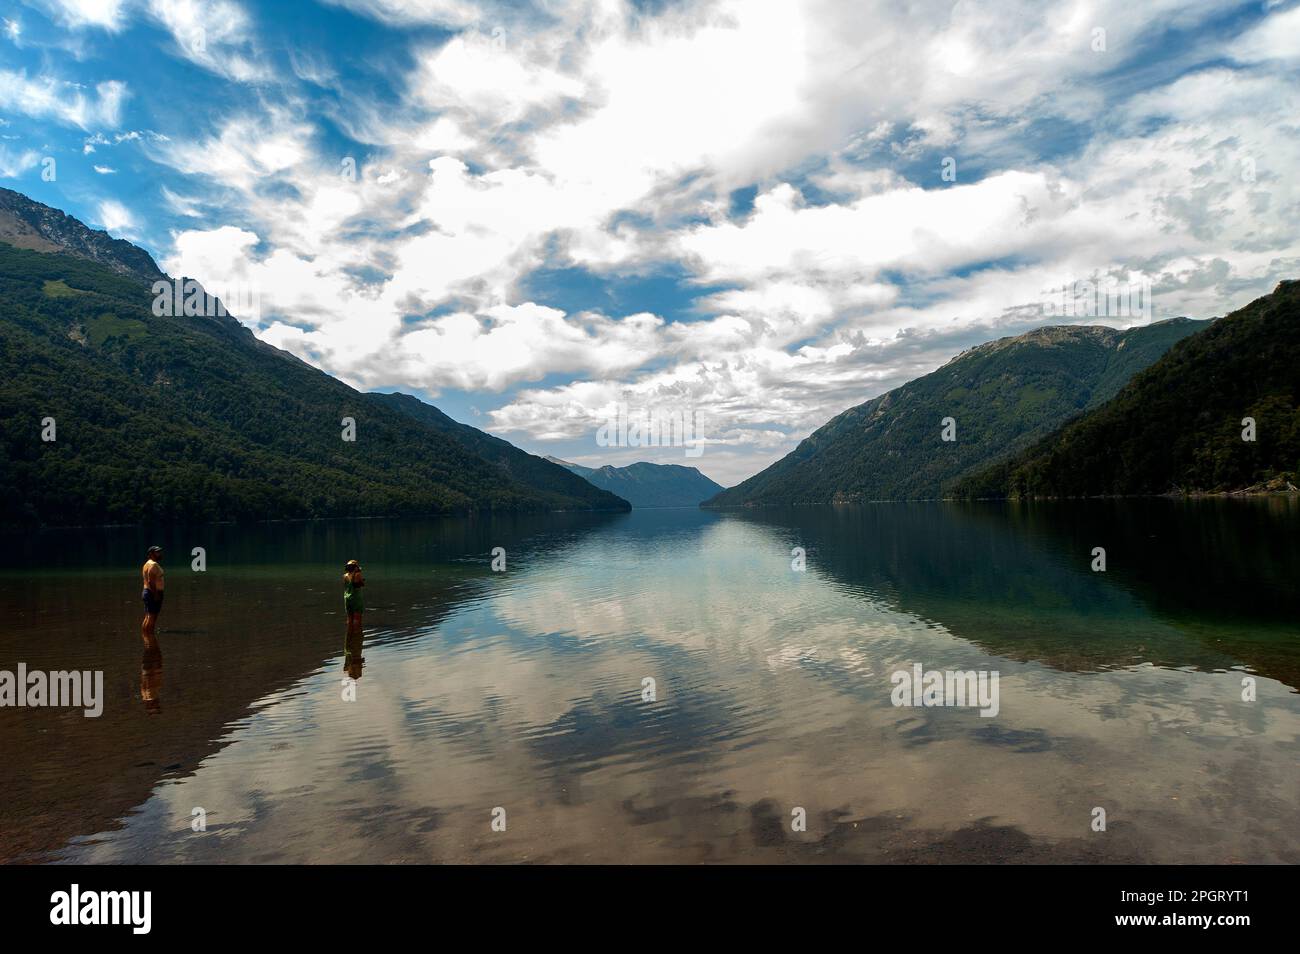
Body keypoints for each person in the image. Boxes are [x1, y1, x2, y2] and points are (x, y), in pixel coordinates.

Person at [141, 545, 164, 641]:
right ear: (151, 554)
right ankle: (149, 638)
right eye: (157, 552)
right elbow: (151, 581)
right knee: (152, 617)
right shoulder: (153, 565)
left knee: (148, 616)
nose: (159, 554)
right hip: (152, 593)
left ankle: (146, 636)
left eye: (159, 552)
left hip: (147, 592)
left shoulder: (146, 564)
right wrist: (156, 594)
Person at [343, 559, 365, 625]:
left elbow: (348, 585)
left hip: (347, 597)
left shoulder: (345, 576)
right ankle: (357, 631)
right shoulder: (357, 574)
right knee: (357, 619)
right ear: (355, 567)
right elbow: (361, 584)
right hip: (356, 598)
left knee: (349, 618)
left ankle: (349, 630)